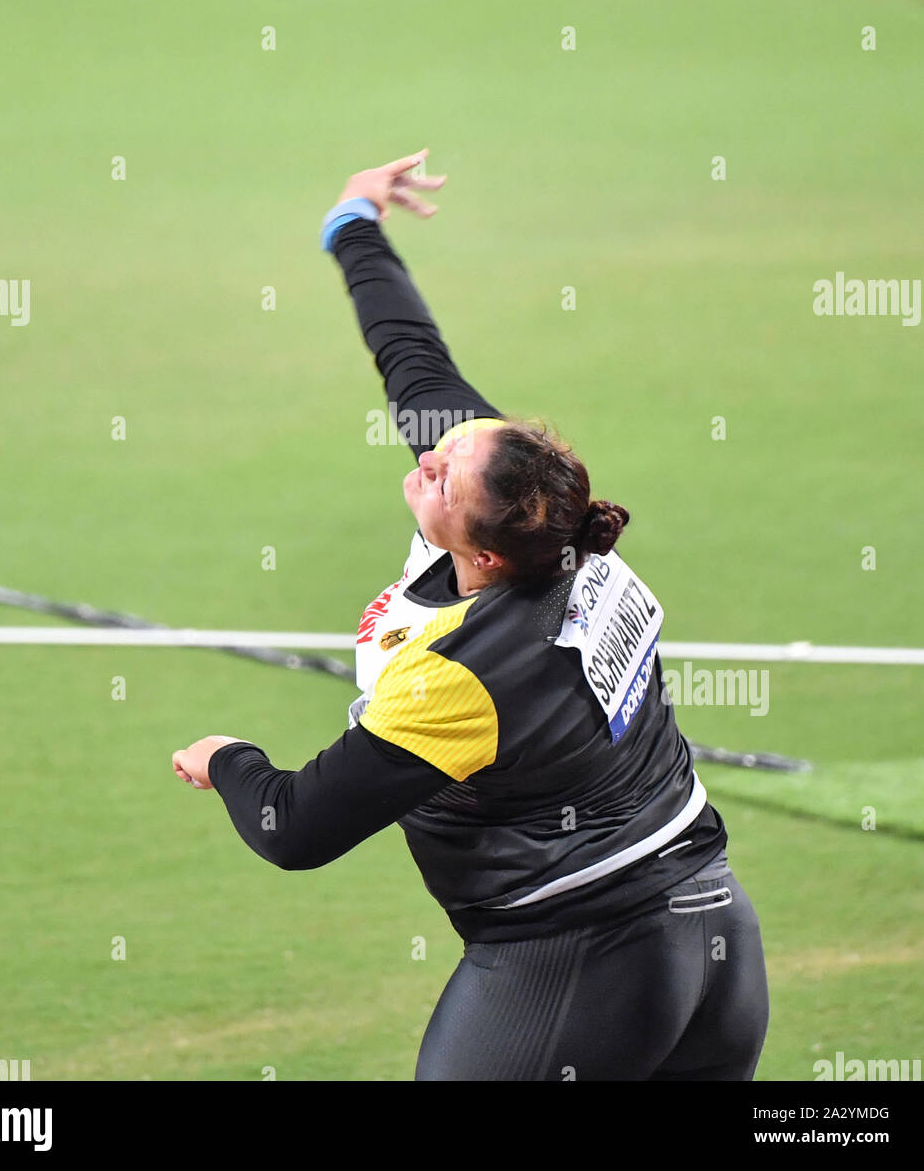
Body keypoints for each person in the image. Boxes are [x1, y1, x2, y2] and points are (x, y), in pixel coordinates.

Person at [172, 149, 769, 1081]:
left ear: (483, 553)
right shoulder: (541, 513)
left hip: (573, 963)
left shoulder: (467, 674)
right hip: (714, 932)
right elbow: (413, 358)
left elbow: (297, 828)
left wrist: (228, 759)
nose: (433, 452)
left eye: (447, 469)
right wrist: (354, 222)